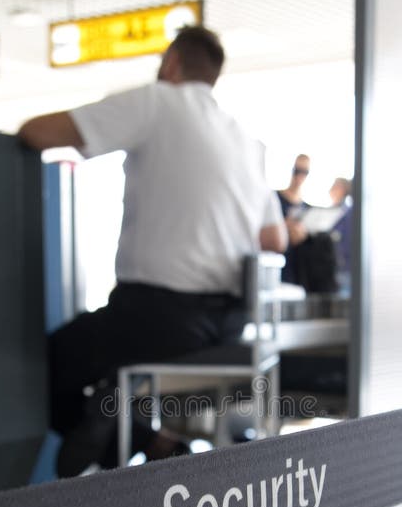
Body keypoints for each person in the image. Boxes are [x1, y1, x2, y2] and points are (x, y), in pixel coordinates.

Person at [18, 25, 286, 476]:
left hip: (157, 318)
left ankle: (126, 428)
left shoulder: (158, 101)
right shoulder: (245, 139)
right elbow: (274, 241)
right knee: (108, 357)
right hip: (228, 327)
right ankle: (141, 433)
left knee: (41, 366)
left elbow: (36, 133)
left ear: (171, 64)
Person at [276, 155, 337, 293]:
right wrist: (285, 226)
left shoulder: (307, 208)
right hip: (279, 266)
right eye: (297, 170)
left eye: (305, 172)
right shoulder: (274, 199)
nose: (300, 176)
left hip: (300, 270)